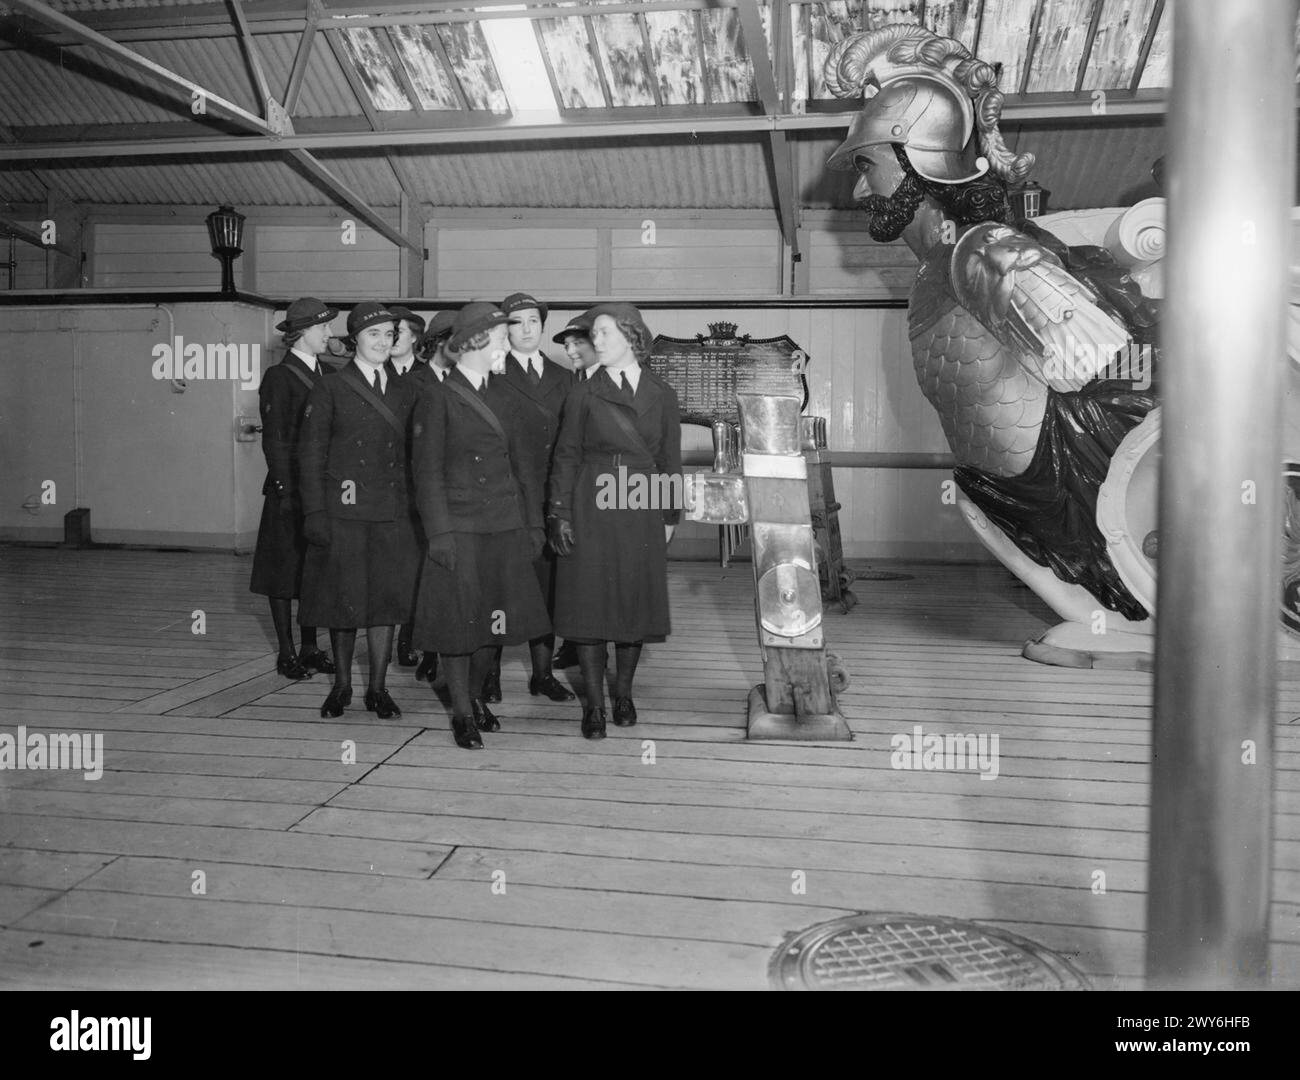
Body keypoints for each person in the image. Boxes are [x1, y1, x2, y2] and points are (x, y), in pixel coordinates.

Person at [411, 302, 551, 749]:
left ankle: (474, 696)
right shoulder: (437, 396)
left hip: (504, 526)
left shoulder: (505, 394)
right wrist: (438, 533)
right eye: (499, 338)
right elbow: (426, 472)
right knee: (458, 624)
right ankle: (462, 713)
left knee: (496, 621)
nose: (506, 345)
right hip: (459, 528)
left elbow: (523, 468)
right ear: (474, 342)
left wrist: (531, 525)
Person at [548, 303, 682, 739]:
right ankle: (595, 706)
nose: (596, 342)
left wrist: (669, 515)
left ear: (632, 337)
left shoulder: (662, 393)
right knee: (590, 606)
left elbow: (669, 460)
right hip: (591, 507)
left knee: (632, 604)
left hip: (641, 506)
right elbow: (565, 457)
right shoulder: (583, 392)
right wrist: (560, 513)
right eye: (594, 335)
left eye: (605, 334)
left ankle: (623, 693)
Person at [298, 302, 419, 720]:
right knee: (344, 603)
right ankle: (343, 686)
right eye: (374, 335)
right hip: (343, 514)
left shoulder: (407, 389)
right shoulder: (330, 387)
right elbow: (310, 456)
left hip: (391, 514)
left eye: (389, 334)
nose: (383, 342)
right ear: (354, 341)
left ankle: (379, 690)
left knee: (385, 604)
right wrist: (314, 513)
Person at [489, 291, 576, 703]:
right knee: (500, 590)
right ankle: (489, 674)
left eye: (533, 322)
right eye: (516, 322)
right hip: (505, 501)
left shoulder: (563, 377)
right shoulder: (489, 374)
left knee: (548, 592)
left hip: (550, 502)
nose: (526, 330)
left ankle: (542, 674)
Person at [250, 297, 339, 680]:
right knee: (283, 571)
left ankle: (310, 647)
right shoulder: (279, 378)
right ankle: (286, 652)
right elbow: (276, 440)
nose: (329, 334)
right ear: (302, 333)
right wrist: (286, 491)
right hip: (289, 493)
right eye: (323, 328)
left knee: (312, 571)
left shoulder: (328, 375)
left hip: (319, 492)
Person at [408, 308, 458, 685]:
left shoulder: (470, 383)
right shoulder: (414, 383)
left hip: (458, 501)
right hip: (419, 499)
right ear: (438, 342)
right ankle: (426, 651)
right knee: (424, 581)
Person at [383, 305, 428, 671]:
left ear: (414, 336)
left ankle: (409, 638)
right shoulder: (372, 374)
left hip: (417, 487)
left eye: (396, 330)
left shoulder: (429, 377)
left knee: (416, 566)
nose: (390, 337)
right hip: (382, 488)